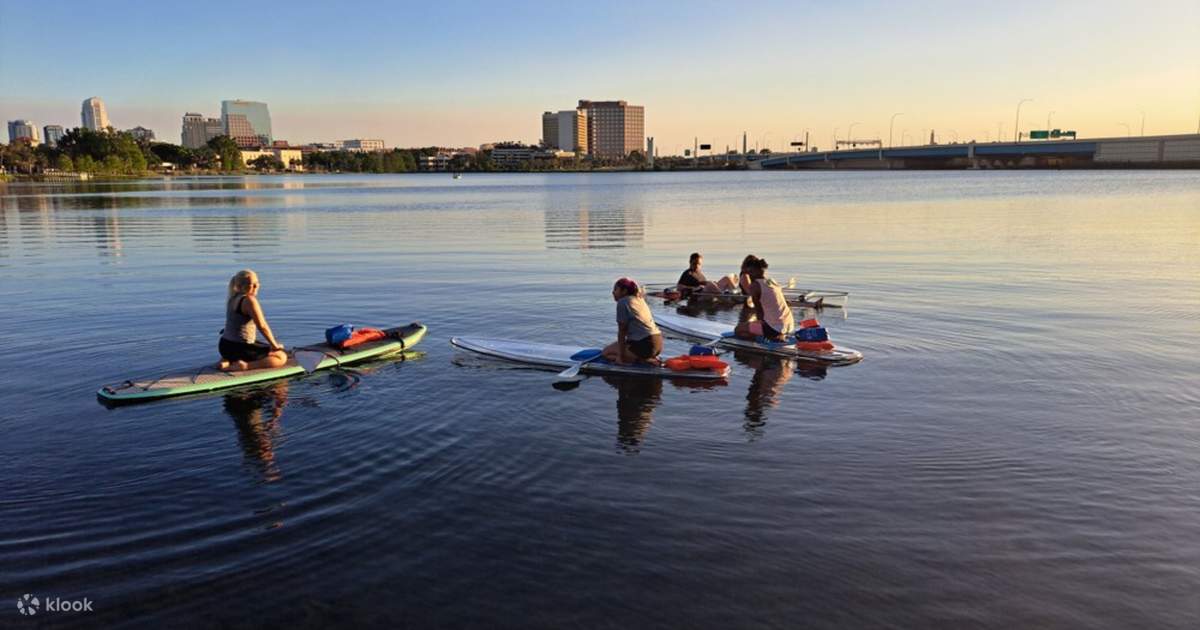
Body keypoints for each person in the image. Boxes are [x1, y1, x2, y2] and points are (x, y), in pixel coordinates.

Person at [217, 269, 288, 372]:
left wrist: (272, 346)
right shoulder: (249, 300)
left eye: (257, 283)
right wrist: (274, 346)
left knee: (264, 347)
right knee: (281, 357)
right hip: (239, 348)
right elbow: (262, 326)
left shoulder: (233, 297)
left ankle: (226, 361)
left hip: (225, 346)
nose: (256, 286)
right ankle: (245, 366)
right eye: (251, 284)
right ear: (241, 286)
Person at [602, 278, 664, 366]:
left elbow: (622, 332)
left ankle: (642, 360)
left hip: (646, 345)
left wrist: (621, 356)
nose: (613, 292)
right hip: (658, 342)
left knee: (606, 353)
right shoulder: (639, 299)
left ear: (624, 291)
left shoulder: (623, 302)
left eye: (615, 289)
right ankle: (646, 357)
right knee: (615, 347)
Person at [734, 257, 796, 342]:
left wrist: (754, 326)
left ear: (752, 271)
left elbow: (759, 312)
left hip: (775, 329)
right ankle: (776, 335)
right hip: (790, 325)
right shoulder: (772, 281)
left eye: (747, 272)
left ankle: (765, 339)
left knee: (738, 330)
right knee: (753, 324)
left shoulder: (755, 286)